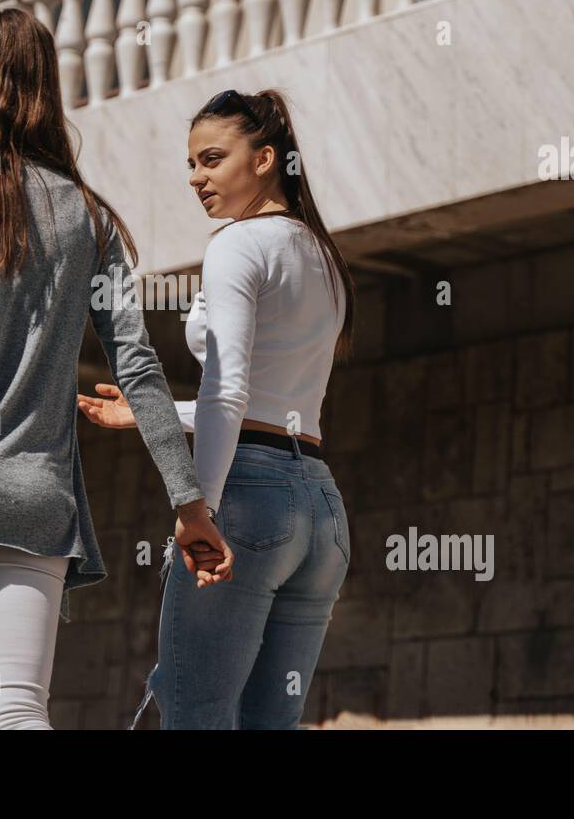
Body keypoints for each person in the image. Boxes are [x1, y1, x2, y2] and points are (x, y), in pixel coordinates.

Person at [0, 7, 232, 730]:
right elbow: (140, 366)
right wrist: (189, 505)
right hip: (34, 498)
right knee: (17, 711)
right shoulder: (89, 219)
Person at [79, 87, 355, 729]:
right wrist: (156, 413)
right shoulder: (322, 254)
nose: (196, 179)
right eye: (190, 165)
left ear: (264, 159)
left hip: (248, 500)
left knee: (196, 714)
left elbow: (229, 391)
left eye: (211, 159)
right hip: (320, 507)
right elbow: (272, 398)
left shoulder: (237, 244)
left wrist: (194, 504)